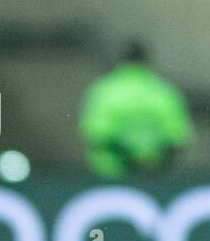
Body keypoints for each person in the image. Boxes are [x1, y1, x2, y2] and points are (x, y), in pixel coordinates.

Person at [79, 40, 194, 178]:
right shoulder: (164, 91)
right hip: (157, 175)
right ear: (146, 61)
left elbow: (96, 135)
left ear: (121, 61)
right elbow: (179, 137)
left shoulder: (104, 91)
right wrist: (149, 159)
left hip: (112, 175)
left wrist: (129, 159)